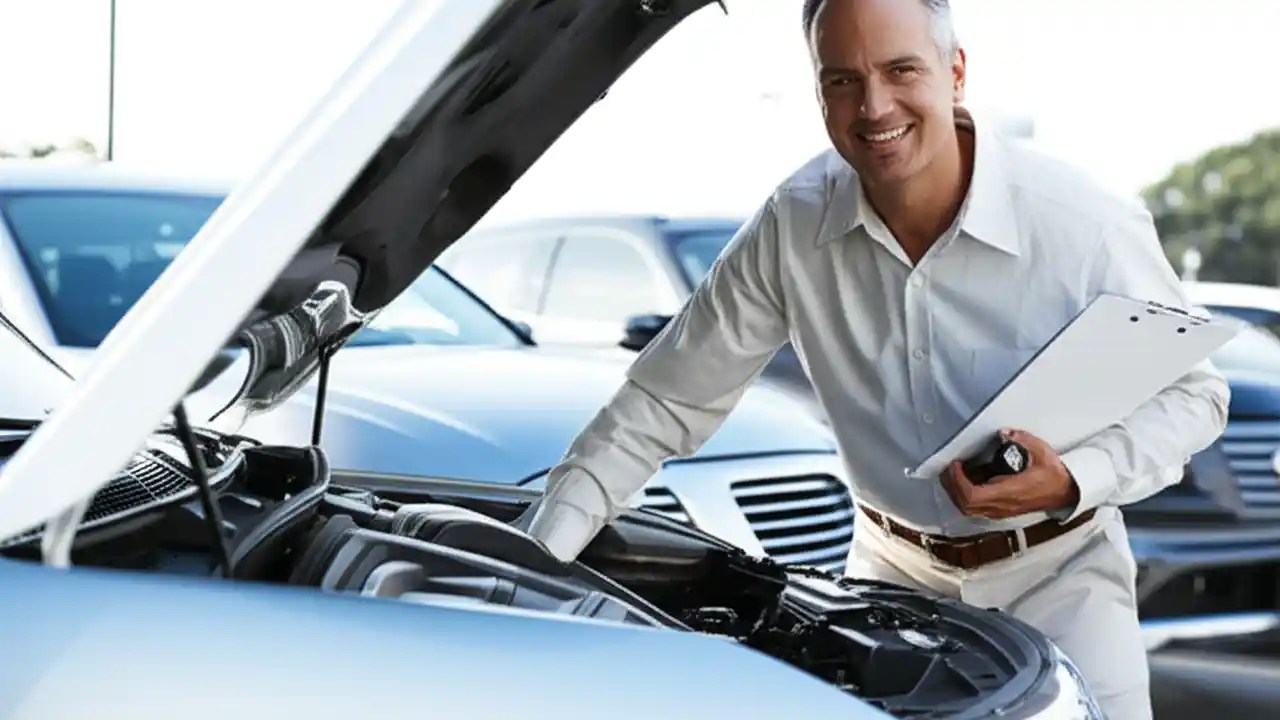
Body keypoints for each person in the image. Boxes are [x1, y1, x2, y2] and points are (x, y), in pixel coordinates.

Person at [522, 0, 1229, 717]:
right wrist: (533, 564)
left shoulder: (1083, 223)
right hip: (887, 579)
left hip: (1063, 574)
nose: (873, 105)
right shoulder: (793, 225)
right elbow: (665, 401)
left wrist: (1072, 479)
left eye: (900, 70)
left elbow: (1197, 396)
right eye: (842, 80)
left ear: (955, 72)